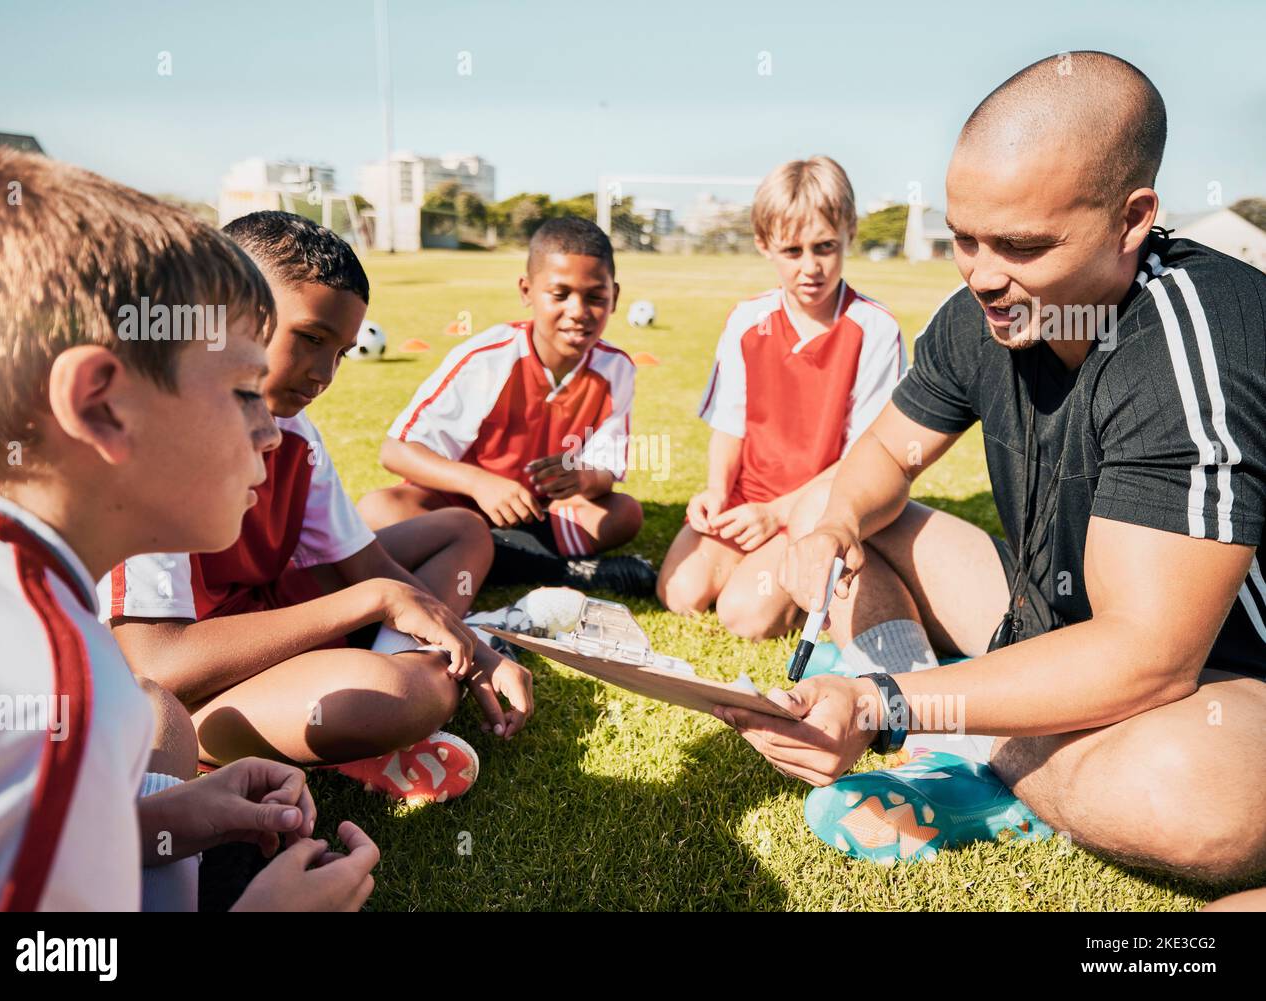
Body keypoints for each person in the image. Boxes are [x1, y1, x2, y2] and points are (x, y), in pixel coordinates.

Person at [717, 52, 1266, 886]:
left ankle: (974, 747)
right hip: (1052, 636)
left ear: (1132, 219)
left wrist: (885, 702)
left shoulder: (1197, 339)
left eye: (1020, 245)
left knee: (1197, 795)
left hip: (1215, 685)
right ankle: (990, 740)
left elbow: (1150, 656)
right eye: (963, 237)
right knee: (860, 519)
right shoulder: (990, 307)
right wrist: (832, 523)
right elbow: (882, 459)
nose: (981, 275)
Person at [0, 149, 376, 911]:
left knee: (161, 721)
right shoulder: (47, 685)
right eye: (243, 390)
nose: (270, 433)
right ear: (101, 403)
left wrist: (161, 819)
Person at [104, 211, 533, 806]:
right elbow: (158, 662)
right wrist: (374, 604)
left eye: (342, 352)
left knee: (462, 532)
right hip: (180, 690)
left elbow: (369, 563)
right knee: (406, 693)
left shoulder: (294, 428)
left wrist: (479, 654)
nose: (325, 373)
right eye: (310, 339)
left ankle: (391, 676)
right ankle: (236, 741)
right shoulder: (152, 438)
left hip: (261, 620)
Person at [657, 156, 906, 639]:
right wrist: (716, 492)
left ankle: (816, 563)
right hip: (750, 497)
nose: (810, 267)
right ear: (763, 244)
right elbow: (730, 425)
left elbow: (867, 455)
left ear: (850, 232)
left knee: (744, 616)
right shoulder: (746, 320)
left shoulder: (875, 329)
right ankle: (754, 559)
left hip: (820, 508)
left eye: (825, 247)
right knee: (681, 594)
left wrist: (778, 515)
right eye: (792, 251)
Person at [357, 216, 656, 596]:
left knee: (624, 514)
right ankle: (559, 571)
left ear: (615, 296)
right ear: (527, 290)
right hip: (456, 508)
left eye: (595, 297)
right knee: (379, 510)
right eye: (560, 295)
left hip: (537, 514)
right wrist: (480, 483)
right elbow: (396, 451)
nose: (579, 311)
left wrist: (582, 477)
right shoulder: (488, 357)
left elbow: (605, 471)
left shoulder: (616, 368)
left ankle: (491, 558)